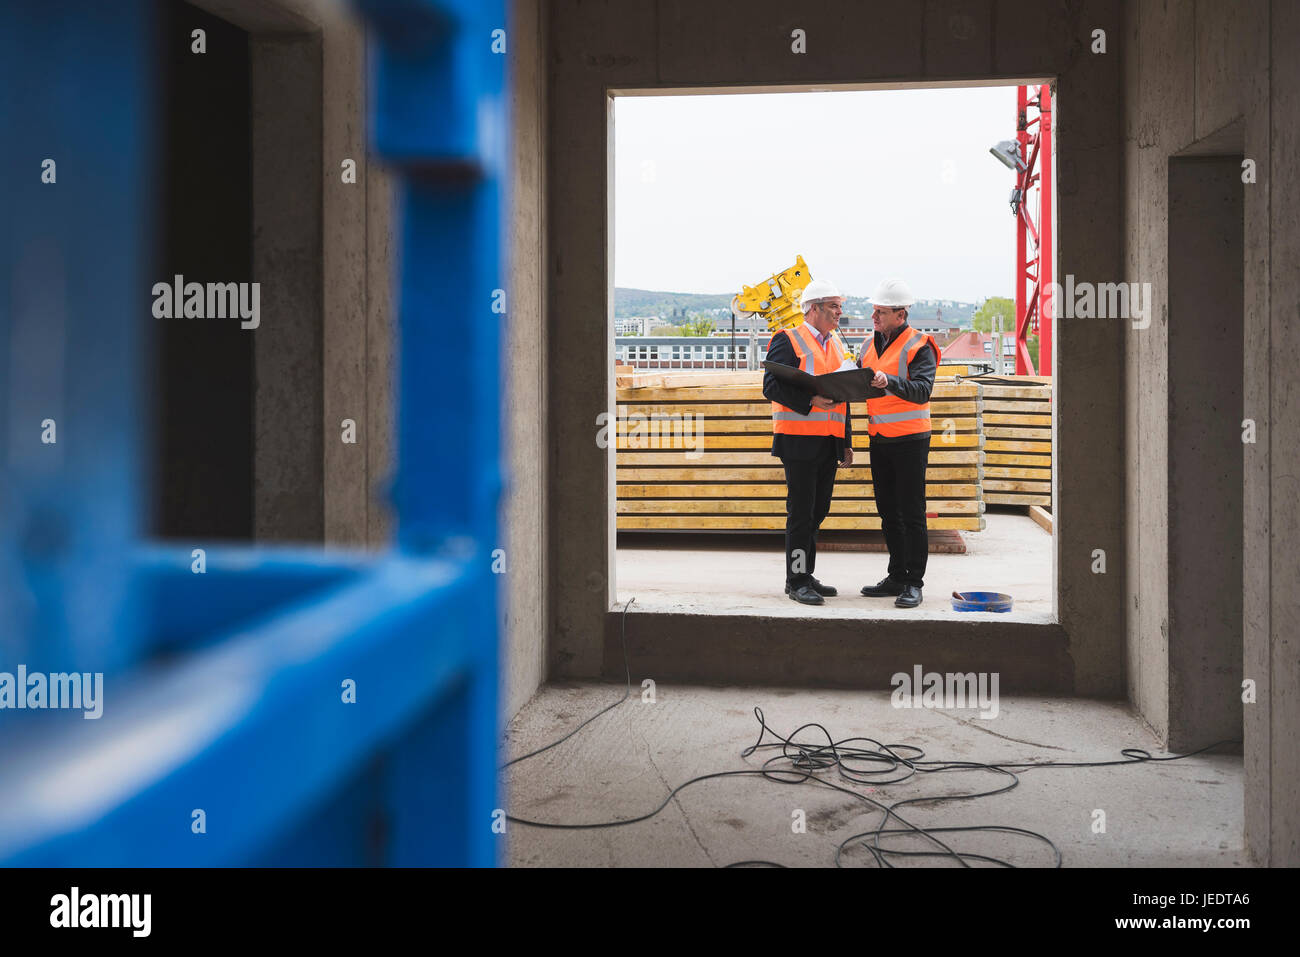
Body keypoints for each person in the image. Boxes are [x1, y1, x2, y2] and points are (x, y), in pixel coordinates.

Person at [761, 278, 856, 605]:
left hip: (828, 443)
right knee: (801, 513)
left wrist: (846, 441)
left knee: (818, 510)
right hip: (799, 442)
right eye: (833, 306)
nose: (839, 312)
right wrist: (810, 401)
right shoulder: (787, 340)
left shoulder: (836, 346)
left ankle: (805, 574)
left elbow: (845, 395)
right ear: (813, 308)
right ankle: (797, 579)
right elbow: (771, 386)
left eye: (840, 306)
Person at [856, 279, 941, 608]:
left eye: (881, 311)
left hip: (910, 441)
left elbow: (922, 390)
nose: (874, 316)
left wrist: (888, 381)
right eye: (874, 310)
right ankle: (896, 574)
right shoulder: (867, 345)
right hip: (879, 439)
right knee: (888, 512)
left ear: (901, 315)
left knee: (911, 513)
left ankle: (913, 582)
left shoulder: (920, 345)